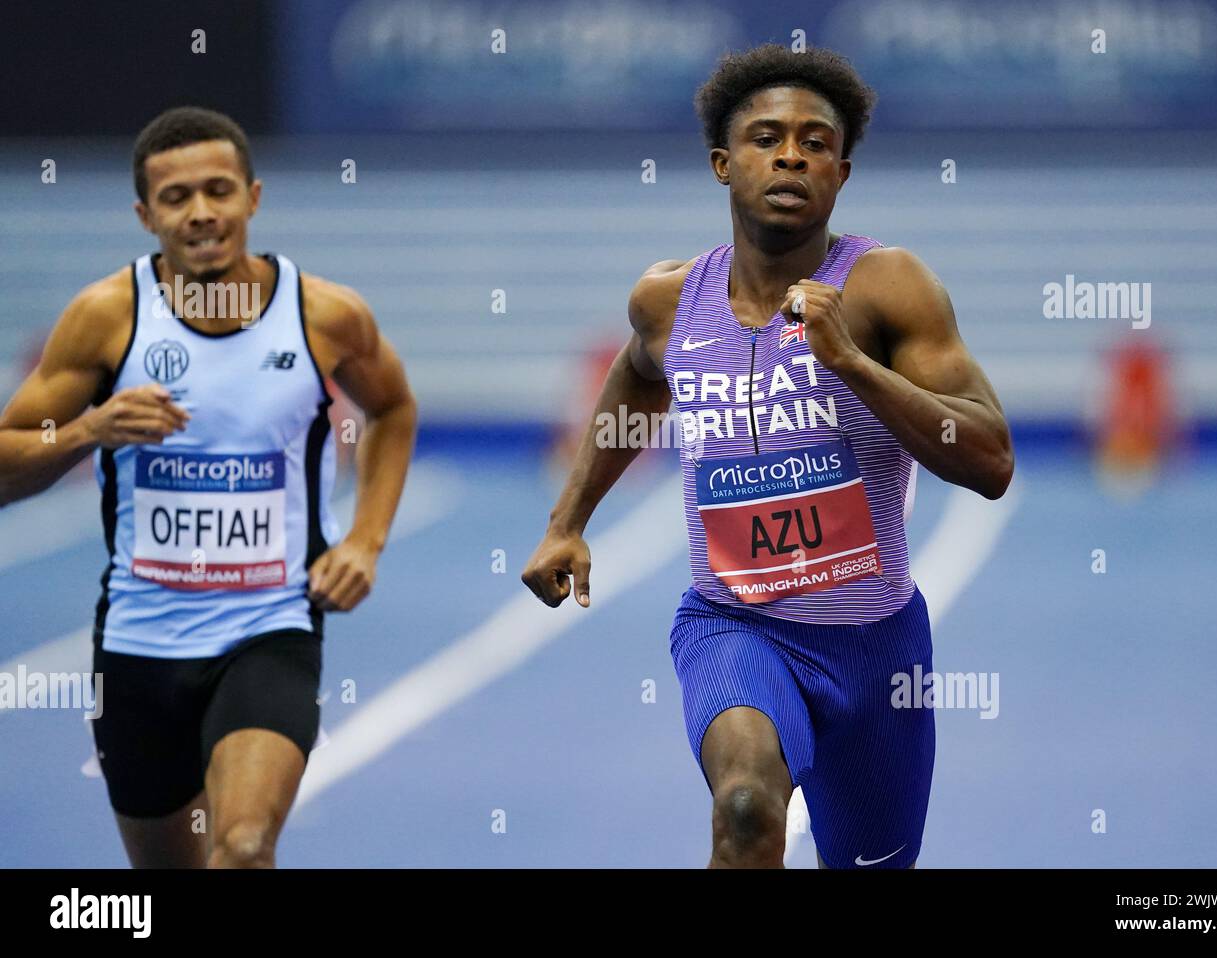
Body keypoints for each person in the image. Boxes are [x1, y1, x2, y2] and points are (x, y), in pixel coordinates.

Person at [522, 45, 1013, 868]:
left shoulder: (891, 287)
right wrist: (567, 522)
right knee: (746, 809)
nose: (792, 154)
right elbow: (639, 381)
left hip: (875, 648)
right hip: (733, 625)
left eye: (816, 142)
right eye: (766, 138)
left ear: (842, 172)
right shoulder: (666, 299)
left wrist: (853, 363)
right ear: (723, 164)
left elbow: (990, 459)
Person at [0, 106, 418, 867]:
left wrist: (366, 537)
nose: (201, 213)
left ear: (253, 198)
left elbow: (392, 405)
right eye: (176, 197)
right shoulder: (105, 320)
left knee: (244, 845)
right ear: (144, 215)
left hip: (271, 629)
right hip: (138, 641)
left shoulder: (323, 315)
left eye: (218, 190)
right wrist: (88, 431)